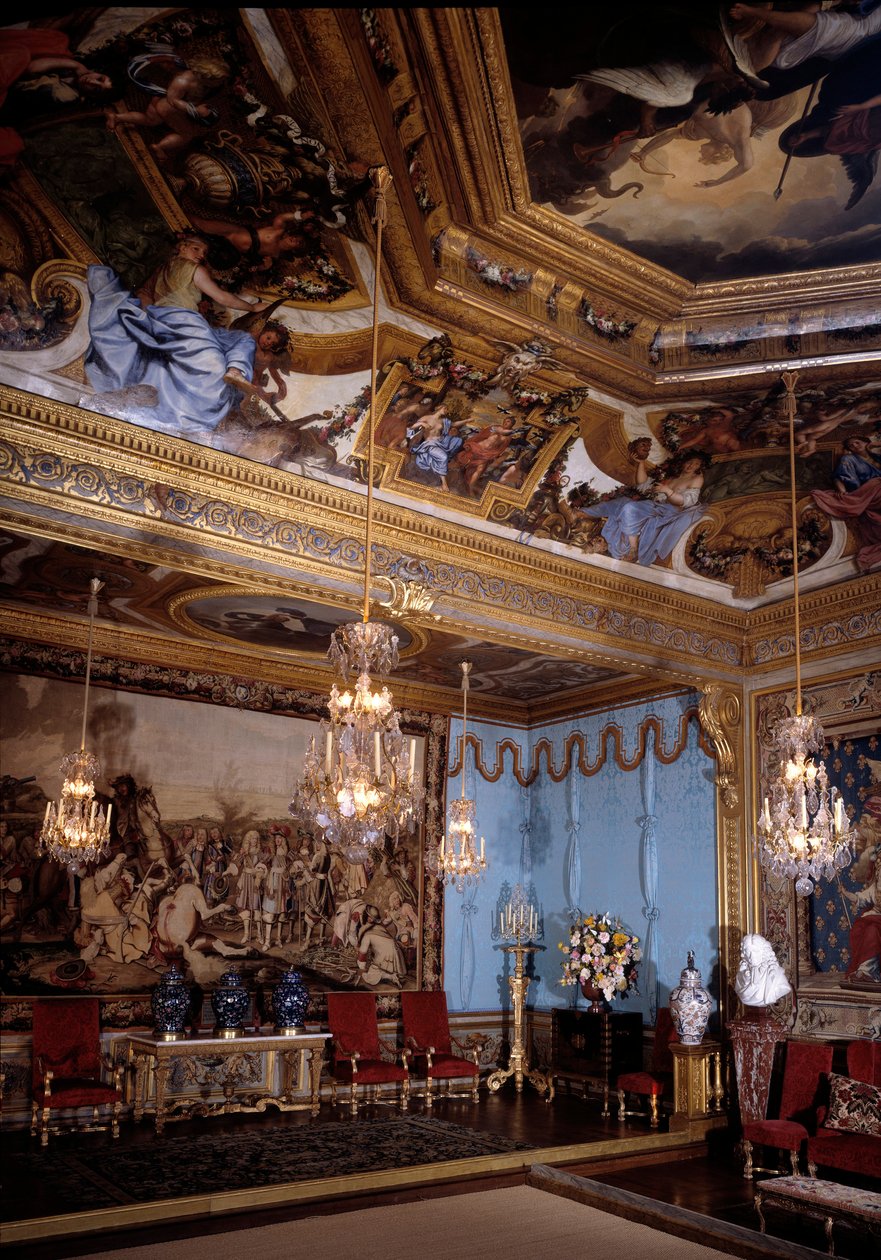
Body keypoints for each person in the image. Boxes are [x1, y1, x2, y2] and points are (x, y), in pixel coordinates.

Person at [85, 232, 271, 440]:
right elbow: (221, 297)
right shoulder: (192, 268)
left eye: (204, 252)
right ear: (182, 247)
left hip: (161, 320)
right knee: (225, 356)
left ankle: (232, 372)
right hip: (186, 321)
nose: (201, 255)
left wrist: (151, 323)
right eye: (196, 249)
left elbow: (144, 297)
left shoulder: (160, 270)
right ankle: (232, 373)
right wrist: (252, 306)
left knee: (236, 342)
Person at [580, 452, 710, 565]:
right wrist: (641, 463)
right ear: (684, 462)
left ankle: (633, 547)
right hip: (656, 505)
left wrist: (668, 492)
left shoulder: (697, 479)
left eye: (696, 464)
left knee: (629, 508)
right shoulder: (674, 476)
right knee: (622, 502)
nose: (691, 466)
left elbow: (686, 502)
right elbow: (644, 484)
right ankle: (583, 513)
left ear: (700, 467)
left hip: (669, 511)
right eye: (690, 462)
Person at [356, 903, 407, 988]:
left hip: (385, 956)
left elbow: (363, 953)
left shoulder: (364, 931)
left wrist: (361, 967)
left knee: (370, 975)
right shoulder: (381, 928)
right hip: (397, 955)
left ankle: (391, 977)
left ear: (368, 918)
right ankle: (396, 974)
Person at [734, 933, 792, 1007]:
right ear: (744, 953)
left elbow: (784, 988)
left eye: (755, 951)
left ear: (764, 951)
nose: (752, 956)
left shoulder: (776, 973)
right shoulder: (741, 974)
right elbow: (740, 991)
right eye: (748, 952)